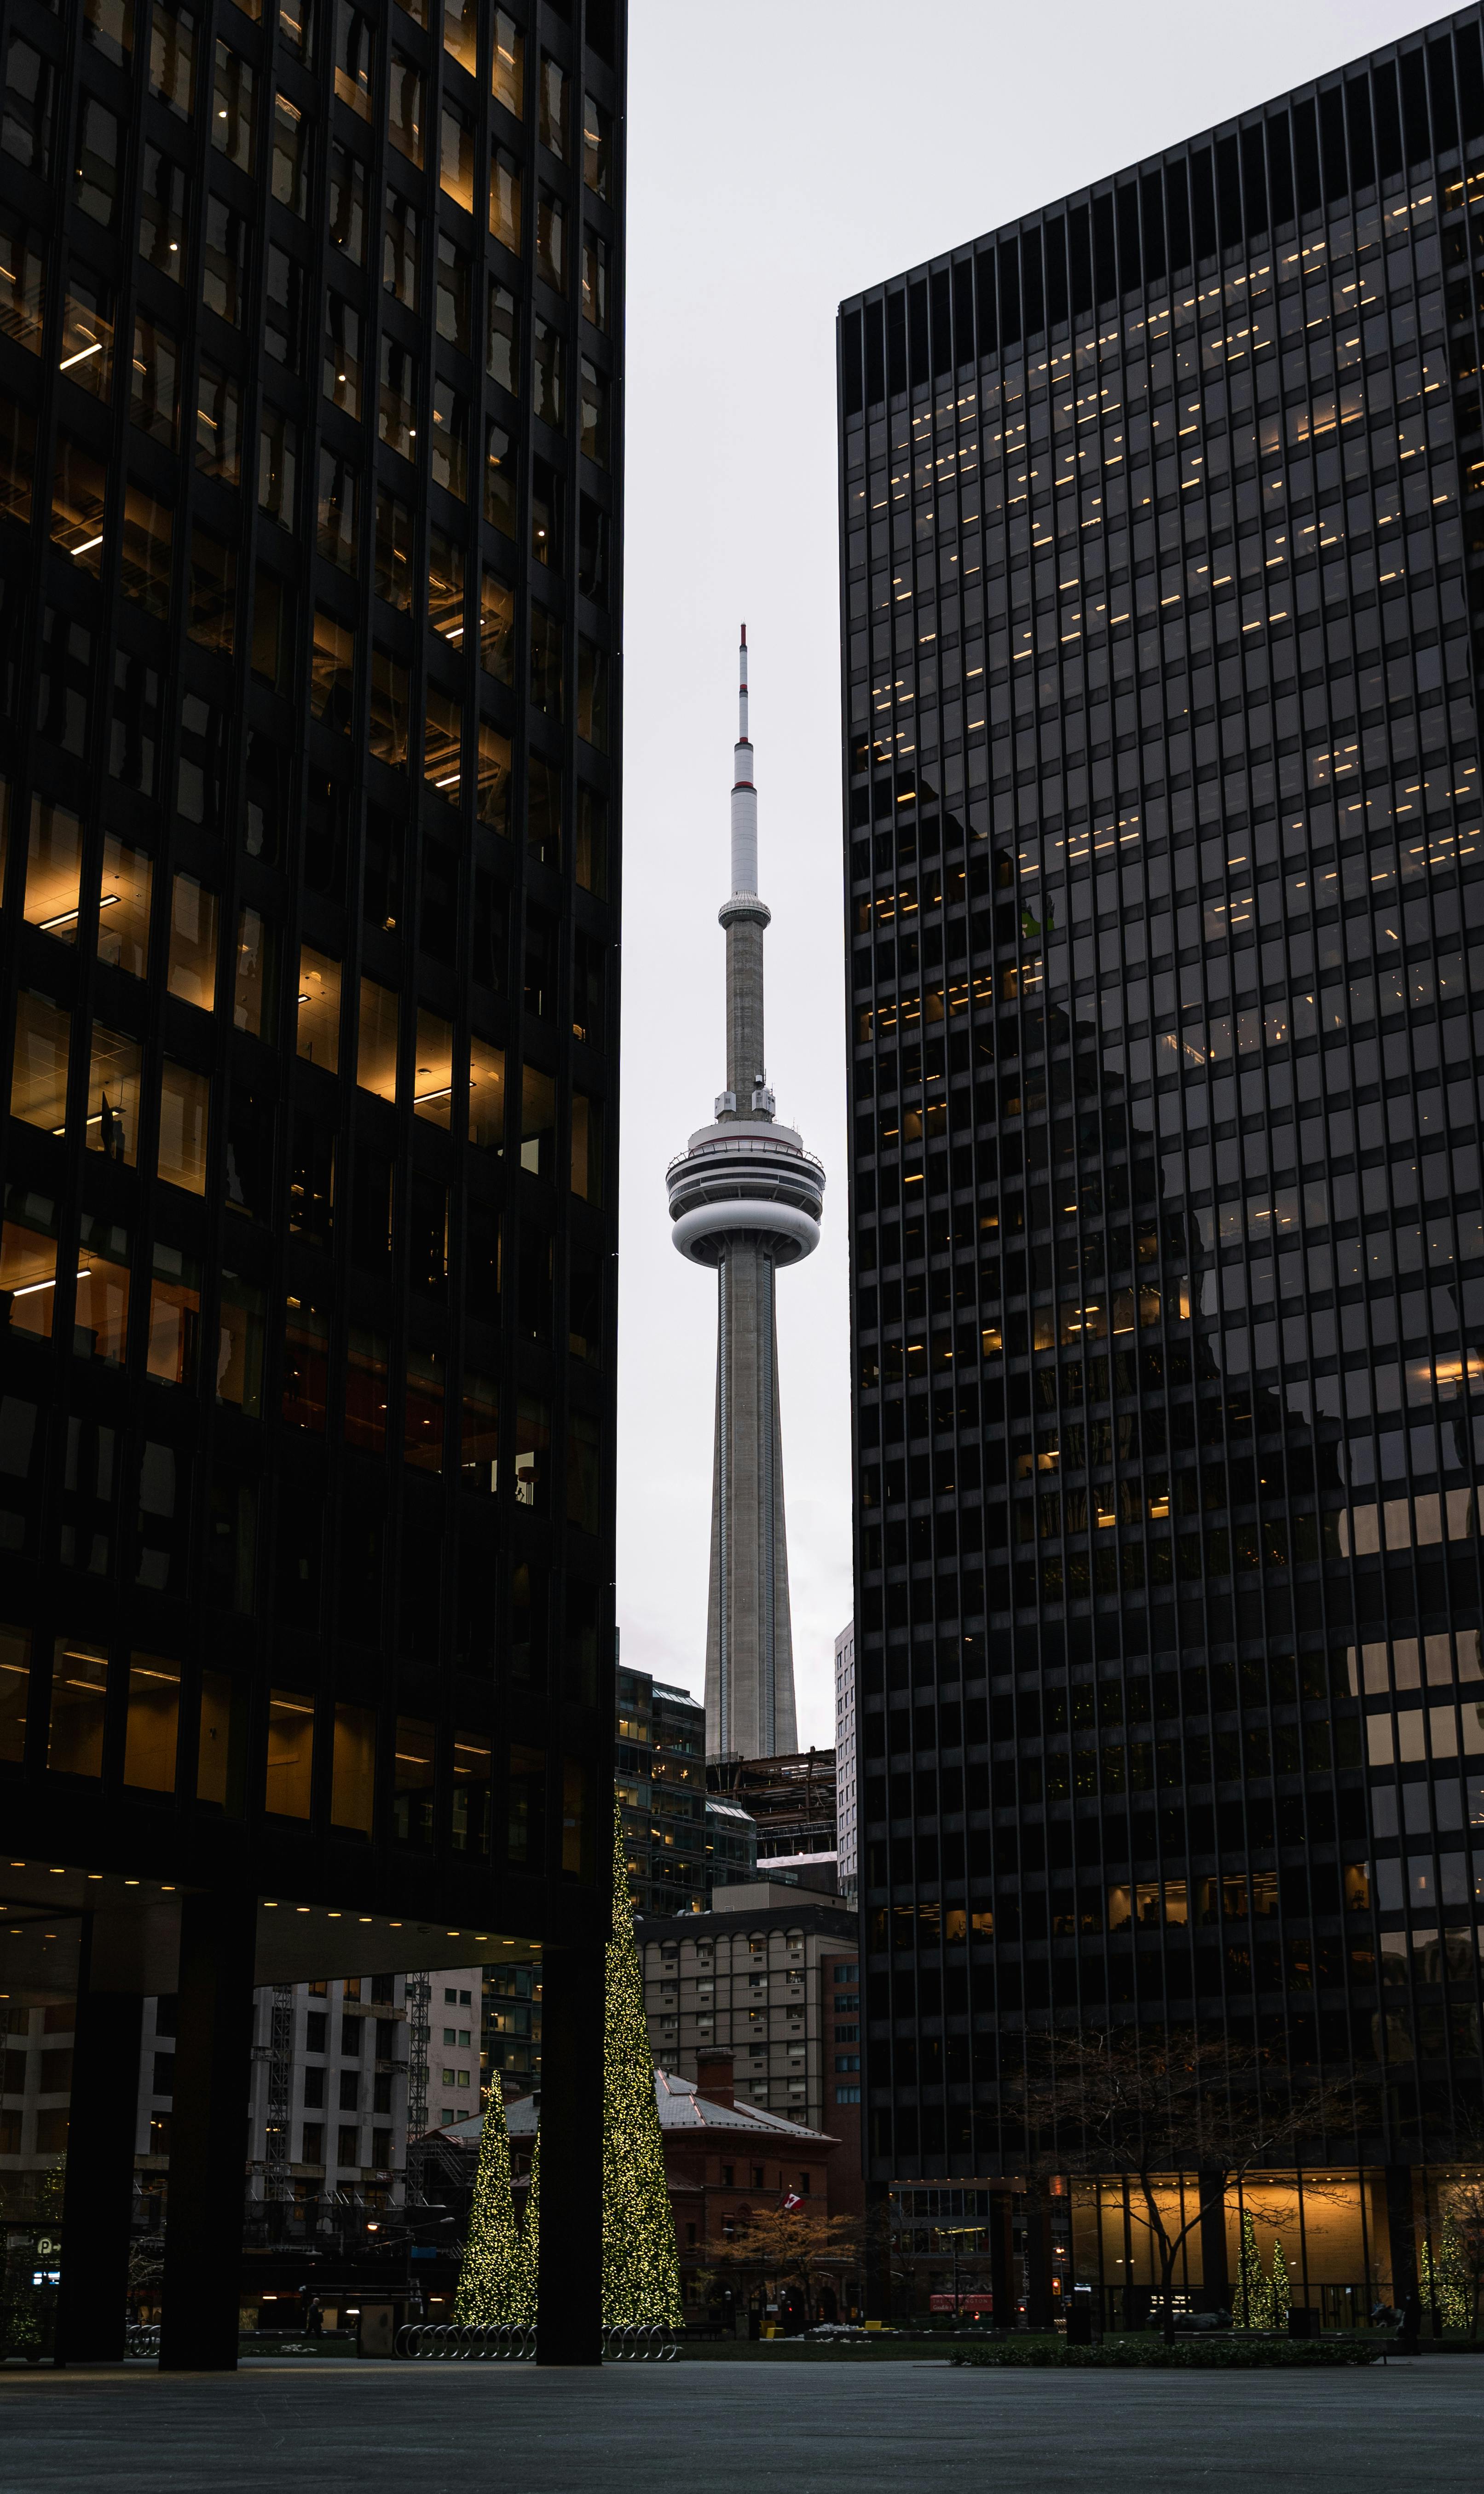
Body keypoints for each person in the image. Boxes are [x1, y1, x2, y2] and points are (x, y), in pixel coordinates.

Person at [1395, 2287, 1421, 2354]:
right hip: (1414, 2323)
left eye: (1408, 2295)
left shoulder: (1411, 2303)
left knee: (1411, 2337)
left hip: (1411, 2323)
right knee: (1413, 2337)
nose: (1407, 2297)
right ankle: (1415, 2350)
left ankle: (1413, 2350)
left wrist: (1405, 2323)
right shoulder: (1416, 2303)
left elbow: (1408, 2315)